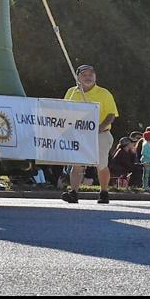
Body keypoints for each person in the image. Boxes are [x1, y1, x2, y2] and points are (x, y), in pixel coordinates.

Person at [62, 63, 119, 204]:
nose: (88, 77)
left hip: (100, 134)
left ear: (95, 76)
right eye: (84, 75)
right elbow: (64, 110)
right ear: (78, 78)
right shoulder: (71, 92)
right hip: (79, 134)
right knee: (77, 165)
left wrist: (100, 127)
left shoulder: (104, 93)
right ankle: (74, 192)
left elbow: (112, 114)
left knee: (101, 165)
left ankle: (104, 192)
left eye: (91, 74)